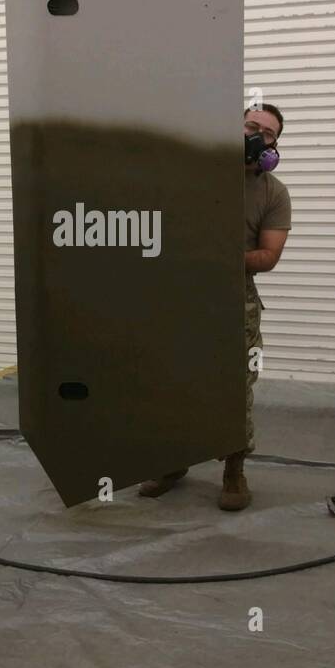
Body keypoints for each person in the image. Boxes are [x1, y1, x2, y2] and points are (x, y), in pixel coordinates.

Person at [140, 103, 292, 510]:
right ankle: (171, 461)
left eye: (268, 132)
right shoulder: (197, 171)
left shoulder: (273, 193)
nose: (257, 134)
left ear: (274, 146)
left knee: (234, 388)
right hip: (182, 295)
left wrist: (218, 256)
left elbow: (269, 255)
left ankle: (234, 471)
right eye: (250, 125)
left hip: (234, 300)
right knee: (171, 379)